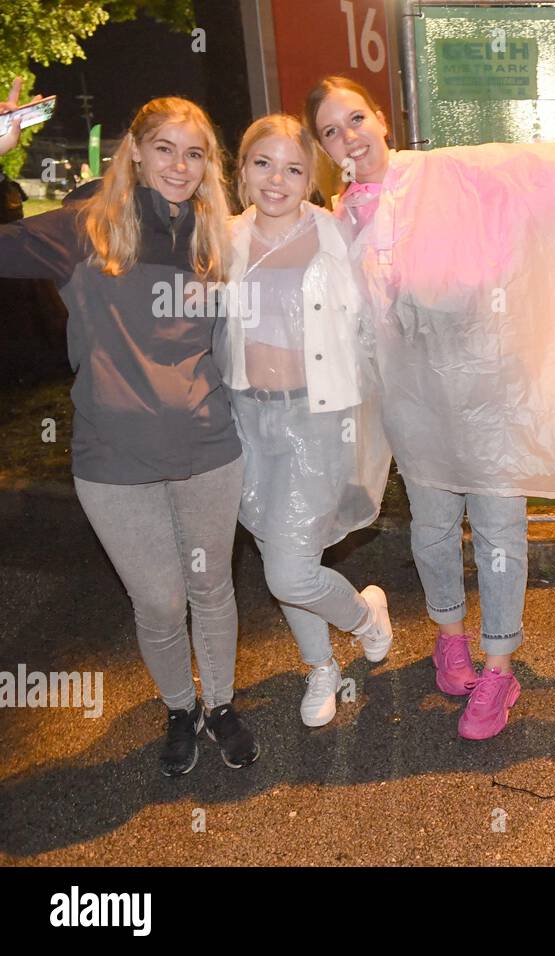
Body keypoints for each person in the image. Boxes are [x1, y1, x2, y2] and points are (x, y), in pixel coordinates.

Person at [306, 75, 555, 739]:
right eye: (331, 130)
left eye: (355, 118)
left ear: (380, 119)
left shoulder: (447, 173)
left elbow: (550, 173)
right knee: (433, 529)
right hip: (418, 406)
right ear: (324, 147)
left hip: (492, 394)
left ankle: (499, 667)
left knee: (499, 532)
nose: (349, 136)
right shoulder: (341, 217)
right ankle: (450, 639)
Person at [0, 80, 259, 774]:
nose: (180, 165)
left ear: (210, 165)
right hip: (113, 462)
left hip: (208, 449)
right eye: (165, 149)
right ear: (135, 154)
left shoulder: (216, 239)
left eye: (196, 153)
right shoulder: (82, 229)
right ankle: (180, 708)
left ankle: (224, 705)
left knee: (210, 589)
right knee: (158, 598)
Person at [220, 114, 392, 727]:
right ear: (241, 172)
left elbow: (384, 305)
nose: (277, 179)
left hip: (319, 421)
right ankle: (321, 665)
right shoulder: (222, 237)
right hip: (245, 422)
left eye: (294, 168)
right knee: (277, 555)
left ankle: (364, 615)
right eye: (263, 163)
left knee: (289, 569)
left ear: (310, 178)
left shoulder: (337, 233)